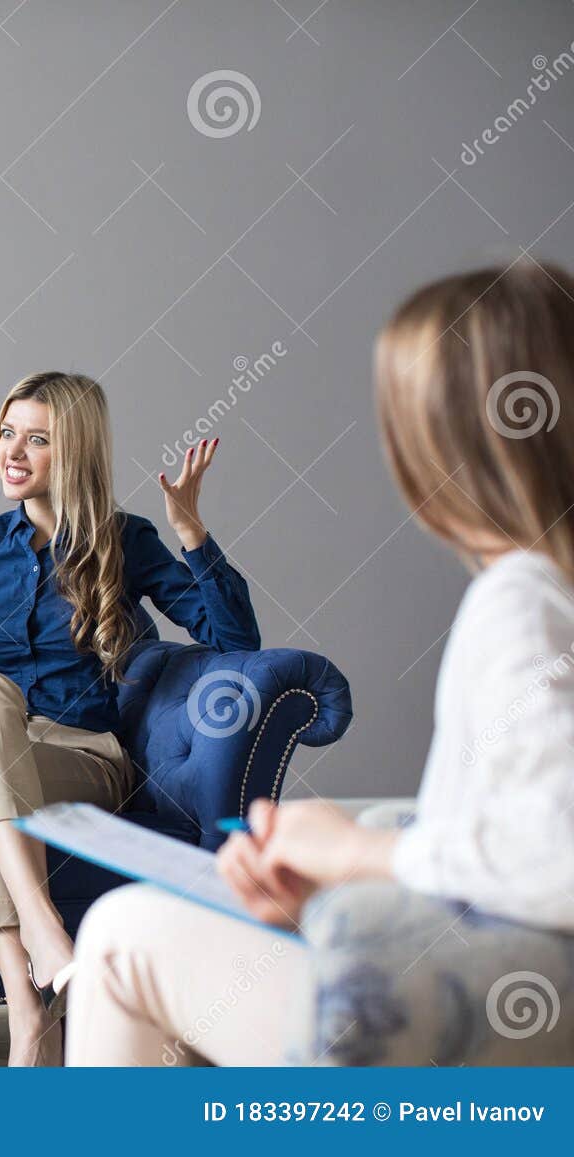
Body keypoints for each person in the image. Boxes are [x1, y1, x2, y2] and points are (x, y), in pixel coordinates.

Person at [65, 260, 574, 1066]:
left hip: (468, 1013)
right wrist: (339, 871)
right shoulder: (544, 593)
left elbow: (556, 851)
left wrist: (359, 853)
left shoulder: (521, 601)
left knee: (121, 936)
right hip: (478, 975)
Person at [0, 371, 261, 1065]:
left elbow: (236, 643)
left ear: (75, 450)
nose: (12, 451)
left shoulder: (124, 539)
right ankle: (32, 1001)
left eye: (37, 439)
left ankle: (37, 954)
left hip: (80, 755)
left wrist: (193, 532)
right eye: (6, 433)